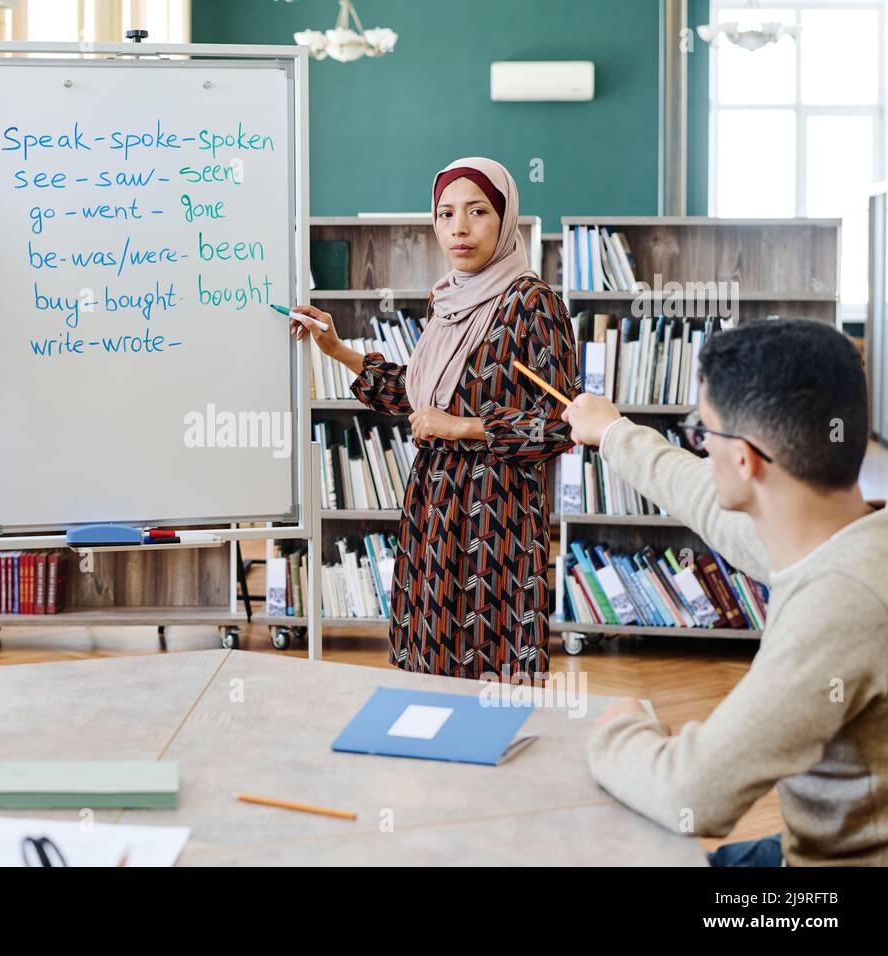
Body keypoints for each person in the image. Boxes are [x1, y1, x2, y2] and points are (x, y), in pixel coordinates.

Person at [565, 318, 888, 866]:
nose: (700, 444)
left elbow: (690, 793)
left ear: (745, 459)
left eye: (702, 431)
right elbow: (705, 501)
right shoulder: (846, 536)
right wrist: (615, 433)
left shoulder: (840, 604)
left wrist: (622, 727)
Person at [292, 157, 579, 678]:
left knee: (492, 668)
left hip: (498, 514)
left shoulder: (535, 304)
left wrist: (462, 427)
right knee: (431, 661)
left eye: (477, 212)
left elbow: (561, 424)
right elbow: (419, 395)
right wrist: (335, 349)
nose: (459, 229)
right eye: (445, 214)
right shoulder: (446, 302)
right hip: (434, 505)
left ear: (506, 218)